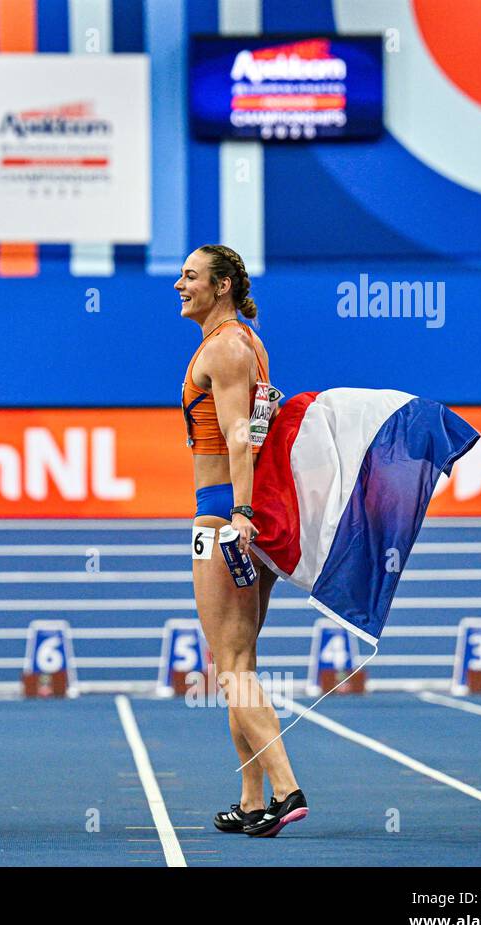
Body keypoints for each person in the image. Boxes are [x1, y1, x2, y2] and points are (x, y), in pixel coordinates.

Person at [175, 244, 309, 838]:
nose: (180, 285)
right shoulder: (249, 342)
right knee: (242, 662)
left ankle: (286, 788)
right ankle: (253, 798)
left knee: (229, 665)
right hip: (245, 516)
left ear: (223, 285)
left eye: (192, 276)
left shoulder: (225, 347)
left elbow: (236, 436)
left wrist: (241, 513)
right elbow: (261, 424)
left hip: (224, 516)